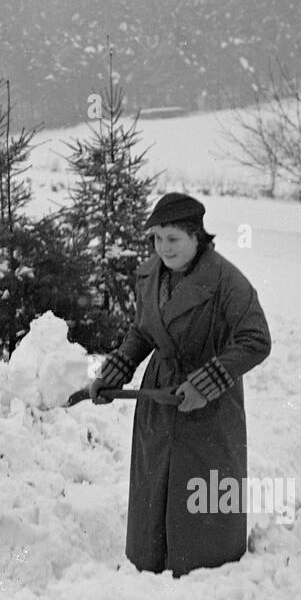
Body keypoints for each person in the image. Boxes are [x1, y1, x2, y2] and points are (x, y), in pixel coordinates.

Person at [82, 193, 272, 576]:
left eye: (173, 239)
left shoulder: (226, 281)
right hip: (160, 393)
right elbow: (144, 330)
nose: (163, 248)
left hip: (210, 404)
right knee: (156, 478)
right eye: (157, 238)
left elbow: (256, 339)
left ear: (196, 237)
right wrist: (117, 369)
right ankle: (151, 557)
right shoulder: (150, 276)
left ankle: (208, 565)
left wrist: (206, 383)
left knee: (202, 484)